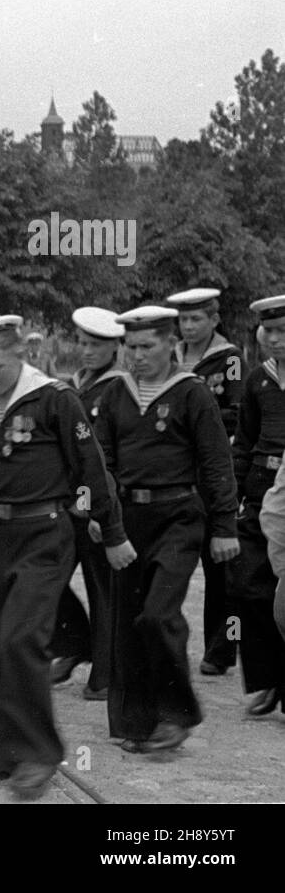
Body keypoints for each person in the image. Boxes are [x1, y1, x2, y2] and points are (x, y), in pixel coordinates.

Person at [0, 314, 131, 797]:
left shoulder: (55, 399)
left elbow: (91, 467)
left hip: (46, 534)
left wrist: (110, 533)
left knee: (23, 639)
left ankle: (39, 754)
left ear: (20, 354)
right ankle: (5, 756)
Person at [94, 305, 237, 753]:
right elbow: (102, 463)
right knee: (129, 625)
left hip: (180, 517)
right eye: (130, 347)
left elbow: (216, 462)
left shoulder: (192, 393)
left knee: (158, 615)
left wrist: (224, 527)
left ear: (170, 344)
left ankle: (178, 714)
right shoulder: (115, 395)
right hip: (130, 521)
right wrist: (103, 517)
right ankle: (139, 724)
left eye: (147, 346)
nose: (137, 355)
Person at [48, 307, 128, 699]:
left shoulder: (118, 388)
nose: (86, 351)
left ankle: (105, 671)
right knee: (48, 581)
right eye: (81, 343)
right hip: (64, 505)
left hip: (97, 507)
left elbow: (111, 456)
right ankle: (74, 643)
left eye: (96, 344)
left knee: (103, 590)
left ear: (115, 346)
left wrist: (103, 511)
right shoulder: (70, 386)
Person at [167, 287, 244, 676]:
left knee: (220, 566)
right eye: (184, 319)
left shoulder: (229, 359)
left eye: (197, 319)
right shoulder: (172, 357)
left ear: (214, 320)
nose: (189, 326)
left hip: (214, 466)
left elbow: (236, 411)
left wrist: (200, 423)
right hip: (177, 469)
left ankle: (221, 649)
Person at [225, 295, 285, 716]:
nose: (275, 340)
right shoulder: (257, 380)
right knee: (248, 585)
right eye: (270, 332)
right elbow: (244, 441)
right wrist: (236, 493)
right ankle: (267, 680)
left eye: (284, 332)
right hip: (261, 486)